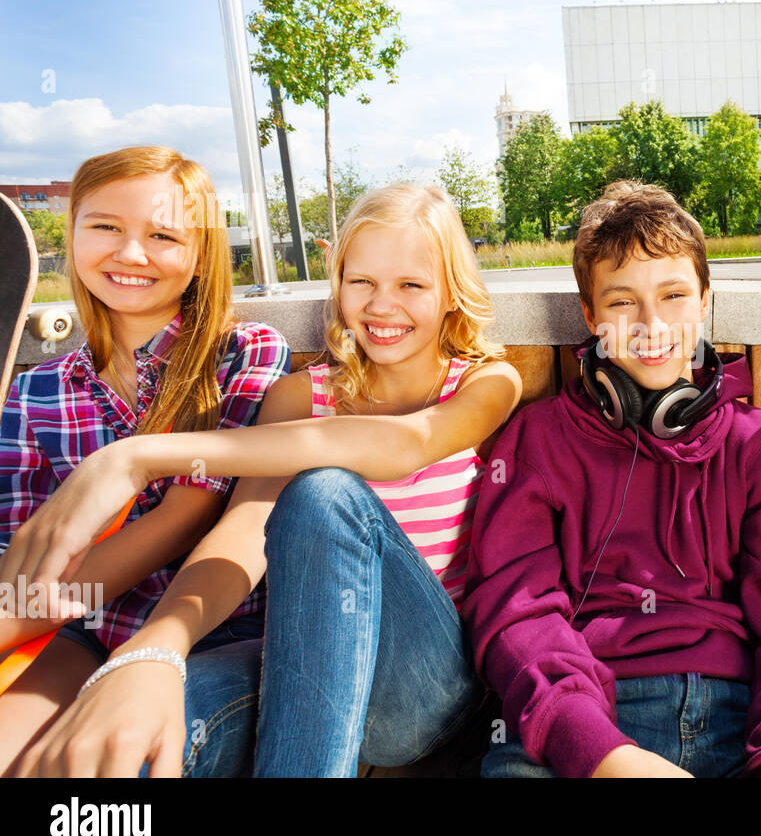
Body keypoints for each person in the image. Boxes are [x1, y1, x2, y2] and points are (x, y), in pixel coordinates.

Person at [10, 183, 522, 777]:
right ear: (338, 285)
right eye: (362, 283)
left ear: (452, 293)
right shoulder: (299, 396)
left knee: (322, 491)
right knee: (133, 727)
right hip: (304, 655)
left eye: (411, 285)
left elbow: (408, 445)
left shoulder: (487, 382)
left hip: (423, 686)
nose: (383, 306)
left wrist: (138, 457)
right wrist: (157, 648)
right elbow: (247, 531)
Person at [462, 181, 761, 778]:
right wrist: (601, 752)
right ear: (591, 316)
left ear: (702, 302)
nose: (650, 323)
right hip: (577, 718)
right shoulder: (537, 440)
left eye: (673, 294)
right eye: (621, 303)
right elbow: (516, 615)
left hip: (733, 715)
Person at [0, 146, 289, 774]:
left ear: (200, 254)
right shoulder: (36, 391)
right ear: (72, 233)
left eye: (162, 235)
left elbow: (191, 513)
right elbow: (26, 557)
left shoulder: (245, 353)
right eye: (105, 226)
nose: (131, 254)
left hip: (218, 631)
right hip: (86, 627)